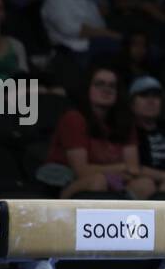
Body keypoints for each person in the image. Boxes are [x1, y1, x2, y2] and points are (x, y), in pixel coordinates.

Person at [44, 63, 150, 199]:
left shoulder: (125, 122)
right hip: (68, 184)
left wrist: (121, 171)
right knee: (98, 181)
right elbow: (81, 171)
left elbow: (133, 169)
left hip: (114, 181)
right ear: (87, 88)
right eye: (100, 84)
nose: (107, 89)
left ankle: (123, 219)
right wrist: (122, 167)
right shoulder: (74, 118)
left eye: (112, 86)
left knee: (145, 184)